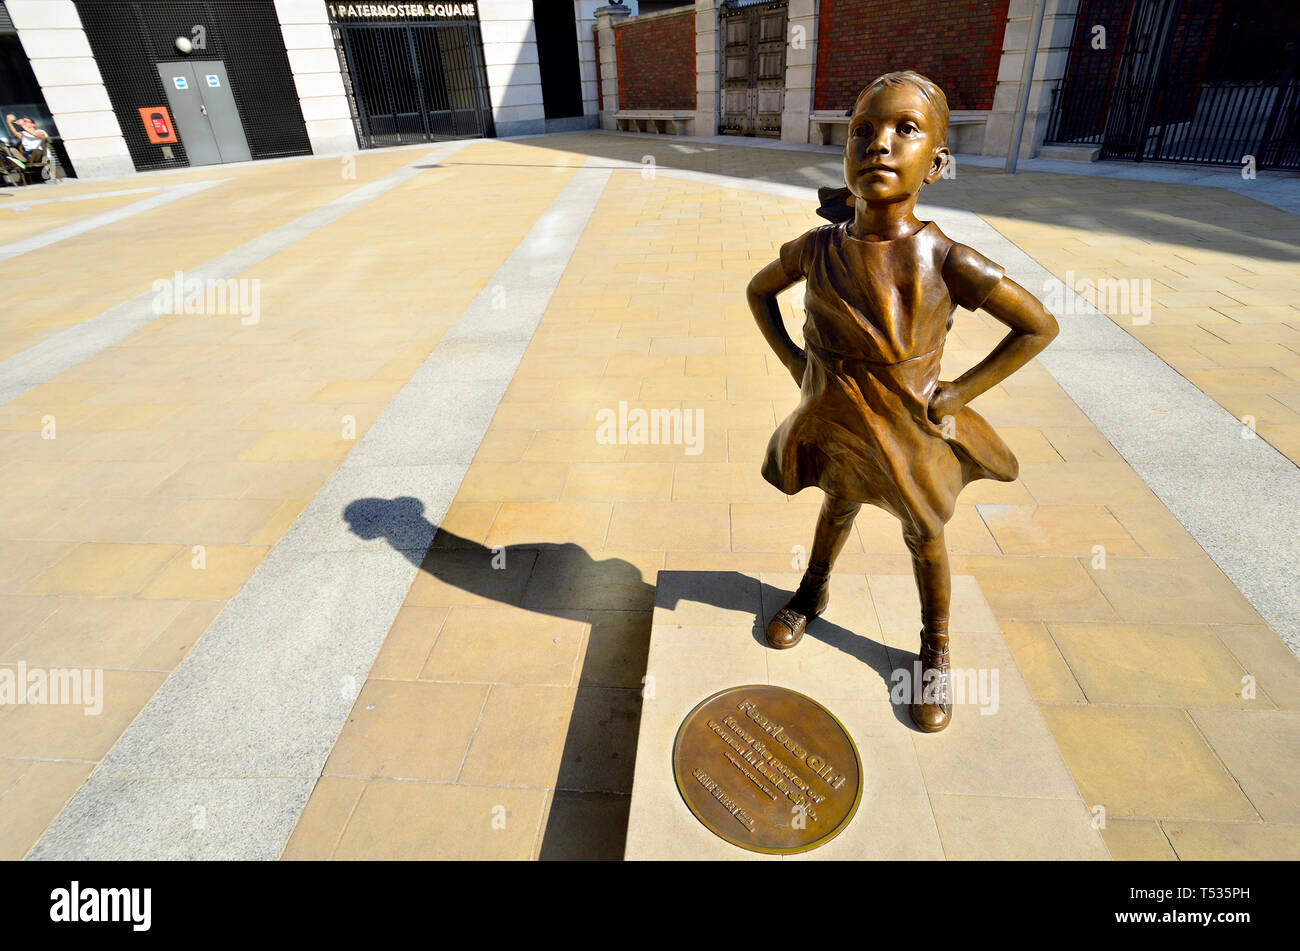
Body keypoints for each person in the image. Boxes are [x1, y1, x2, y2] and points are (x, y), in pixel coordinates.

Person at [746, 71, 1059, 733]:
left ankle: (935, 647)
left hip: (908, 426)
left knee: (925, 533)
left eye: (903, 130)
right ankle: (812, 590)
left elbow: (1037, 325)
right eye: (863, 131)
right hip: (834, 414)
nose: (879, 145)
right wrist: (798, 367)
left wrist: (961, 391)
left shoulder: (948, 258)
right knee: (837, 502)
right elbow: (757, 293)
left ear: (938, 162)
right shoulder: (816, 248)